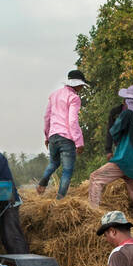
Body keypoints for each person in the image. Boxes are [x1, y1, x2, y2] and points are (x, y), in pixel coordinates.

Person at [89, 84, 133, 221]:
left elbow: (114, 132)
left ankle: (92, 213)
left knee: (96, 178)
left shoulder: (127, 114)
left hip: (125, 160)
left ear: (129, 101)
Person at [38, 69, 88, 198]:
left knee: (53, 163)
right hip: (67, 138)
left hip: (53, 135)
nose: (82, 87)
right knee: (67, 170)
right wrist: (79, 142)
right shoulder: (74, 98)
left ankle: (42, 182)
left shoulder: (54, 95)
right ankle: (60, 200)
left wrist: (47, 136)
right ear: (76, 84)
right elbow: (72, 121)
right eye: (82, 84)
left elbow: (47, 117)